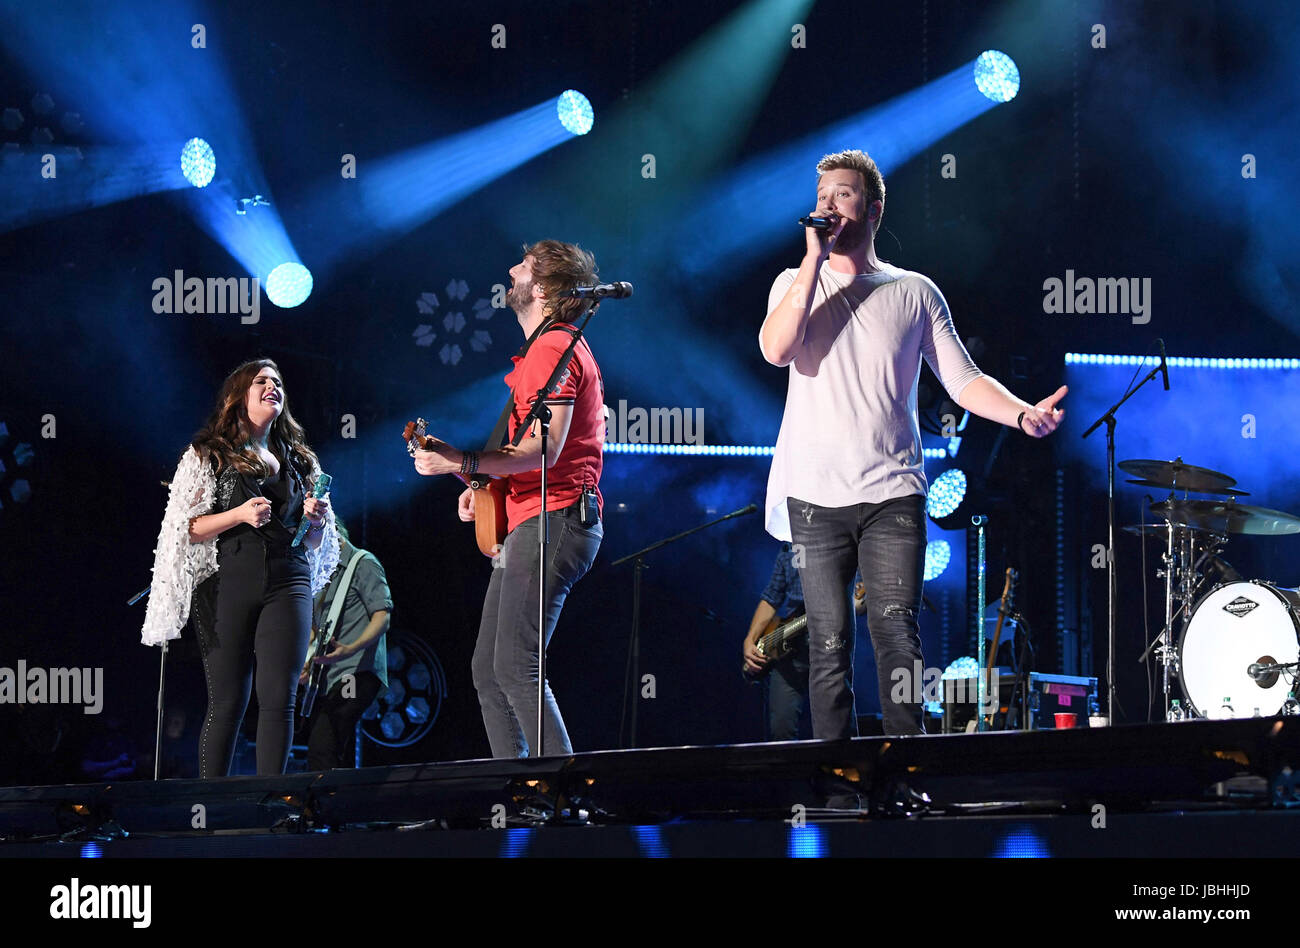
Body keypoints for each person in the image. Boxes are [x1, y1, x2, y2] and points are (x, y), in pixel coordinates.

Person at [759, 149, 1066, 738]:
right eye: (822, 195)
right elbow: (777, 350)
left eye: (842, 194)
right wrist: (811, 265)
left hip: (892, 490)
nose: (827, 204)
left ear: (872, 210)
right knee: (827, 637)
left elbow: (964, 379)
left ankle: (907, 766)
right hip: (814, 493)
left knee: (897, 630)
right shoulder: (792, 283)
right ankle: (838, 775)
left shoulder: (913, 291)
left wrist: (1023, 415)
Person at [413, 240, 605, 757]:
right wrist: (482, 489)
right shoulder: (542, 351)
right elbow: (523, 458)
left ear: (542, 288)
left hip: (556, 519)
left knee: (517, 664)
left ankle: (561, 793)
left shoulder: (554, 348)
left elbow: (544, 450)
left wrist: (462, 462)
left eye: (522, 266)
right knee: (489, 670)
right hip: (535, 518)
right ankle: (520, 790)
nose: (510, 271)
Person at [141, 359, 339, 776]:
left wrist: (316, 522)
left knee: (278, 697)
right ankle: (209, 806)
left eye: (278, 382)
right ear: (239, 396)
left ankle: (271, 800)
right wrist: (239, 515)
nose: (272, 387)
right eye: (261, 381)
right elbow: (187, 528)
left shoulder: (303, 461)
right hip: (229, 579)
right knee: (229, 698)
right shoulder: (209, 453)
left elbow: (315, 543)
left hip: (290, 578)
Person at [743, 544, 866, 741]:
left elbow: (860, 600)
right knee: (781, 731)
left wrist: (854, 603)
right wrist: (750, 639)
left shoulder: (845, 539)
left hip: (829, 648)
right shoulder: (788, 546)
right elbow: (771, 597)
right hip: (788, 652)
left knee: (838, 730)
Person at [299, 520, 391, 770]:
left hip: (356, 671)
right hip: (328, 678)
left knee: (324, 743)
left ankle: (324, 805)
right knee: (325, 745)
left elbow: (382, 615)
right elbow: (315, 629)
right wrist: (305, 664)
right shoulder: (320, 573)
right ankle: (335, 801)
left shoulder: (364, 562)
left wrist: (351, 648)